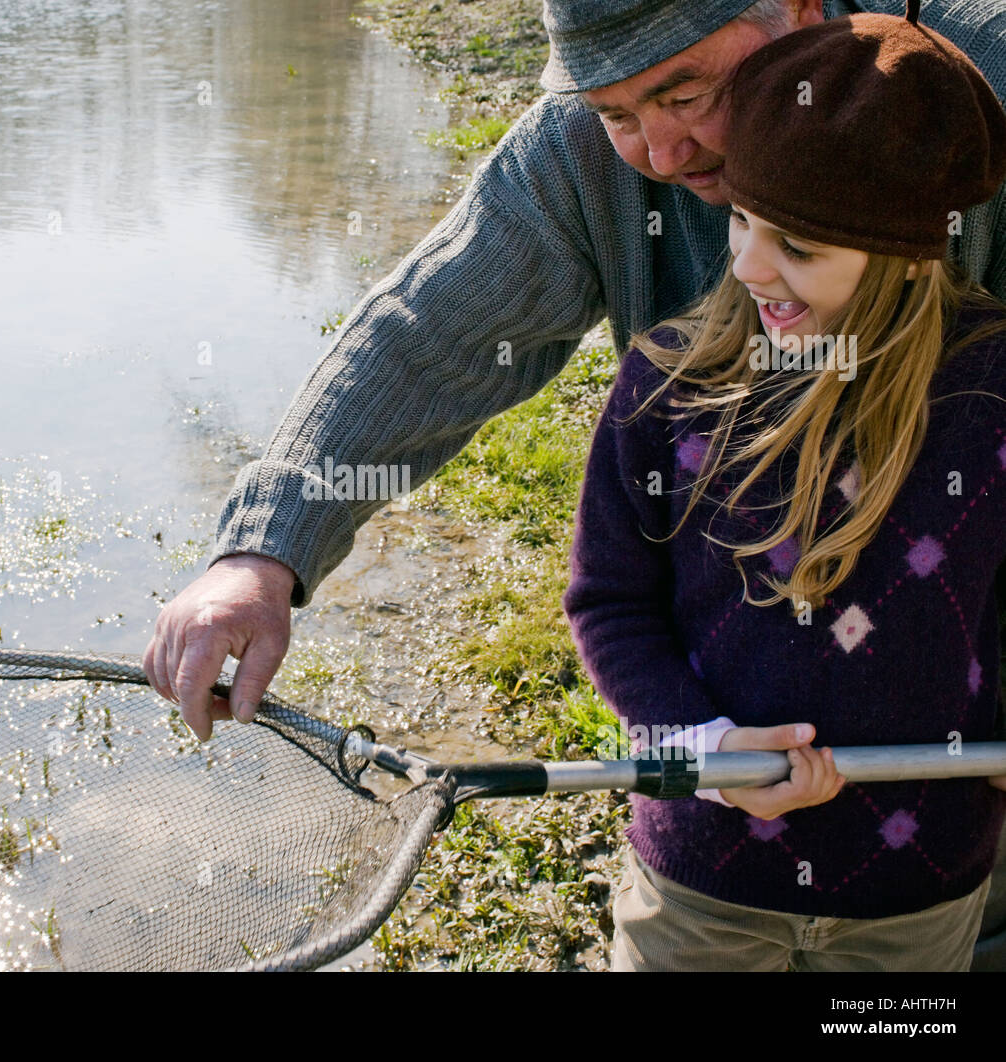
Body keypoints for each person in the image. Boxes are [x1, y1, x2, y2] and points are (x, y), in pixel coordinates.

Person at [141, 0, 1006, 963]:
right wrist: (264, 550)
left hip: (945, 820)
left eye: (685, 92)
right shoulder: (589, 177)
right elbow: (431, 335)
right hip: (708, 848)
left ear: (798, 10)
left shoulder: (981, 83)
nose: (663, 152)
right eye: (618, 112)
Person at [562, 1, 1006, 970]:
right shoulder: (666, 389)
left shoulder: (989, 394)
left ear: (905, 256)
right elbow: (610, 602)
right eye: (745, 223)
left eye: (799, 247)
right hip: (699, 884)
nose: (753, 266)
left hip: (920, 894)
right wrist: (698, 748)